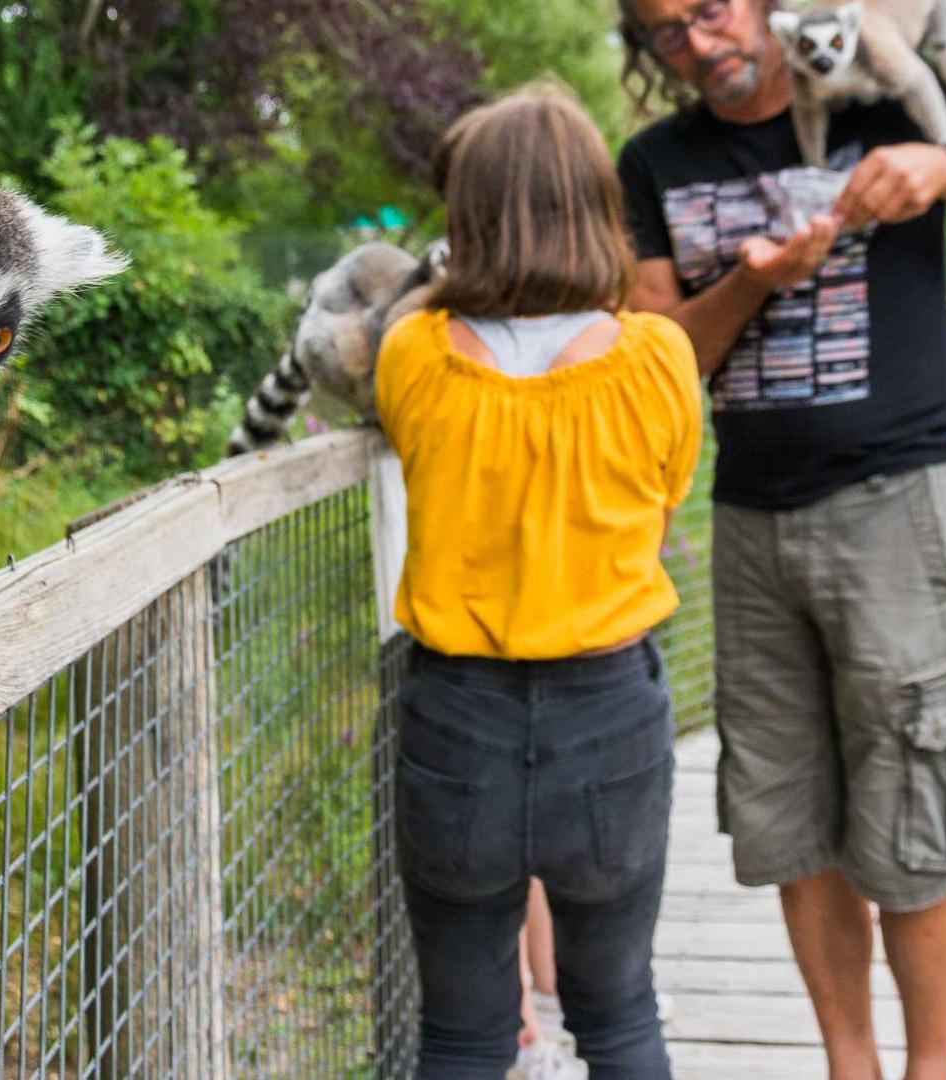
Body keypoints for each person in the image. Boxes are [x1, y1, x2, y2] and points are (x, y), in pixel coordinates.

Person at [610, 1, 946, 1077]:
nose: (699, 43)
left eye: (710, 10)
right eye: (666, 32)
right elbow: (656, 359)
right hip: (748, 519)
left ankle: (928, 1070)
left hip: (899, 505)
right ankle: (852, 1066)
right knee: (793, 820)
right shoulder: (654, 162)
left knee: (912, 813)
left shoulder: (894, 104)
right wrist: (752, 280)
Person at [375, 81, 703, 1080]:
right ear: (598, 207)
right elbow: (664, 500)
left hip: (457, 719)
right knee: (619, 1017)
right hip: (607, 715)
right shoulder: (656, 359)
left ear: (465, 215)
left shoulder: (417, 357)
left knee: (464, 1034)